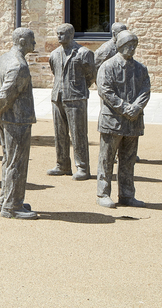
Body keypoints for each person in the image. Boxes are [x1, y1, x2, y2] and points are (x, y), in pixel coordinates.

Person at [0, 27, 39, 219]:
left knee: (8, 160)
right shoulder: (19, 66)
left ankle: (6, 199)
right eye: (32, 40)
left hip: (6, 117)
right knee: (17, 162)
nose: (35, 43)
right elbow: (6, 93)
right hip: (17, 119)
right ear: (23, 41)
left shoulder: (4, 58)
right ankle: (12, 206)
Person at [96, 30, 150, 209]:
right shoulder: (107, 66)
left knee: (128, 159)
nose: (132, 48)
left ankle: (127, 195)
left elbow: (145, 90)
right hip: (112, 121)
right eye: (128, 45)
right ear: (119, 46)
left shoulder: (141, 68)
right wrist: (126, 108)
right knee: (107, 158)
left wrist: (136, 107)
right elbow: (105, 91)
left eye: (134, 45)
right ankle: (103, 193)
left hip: (133, 121)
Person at [46, 23, 96, 181]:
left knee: (78, 133)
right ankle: (62, 164)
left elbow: (91, 75)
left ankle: (82, 167)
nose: (59, 36)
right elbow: (55, 72)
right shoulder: (54, 54)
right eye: (57, 33)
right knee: (59, 133)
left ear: (71, 34)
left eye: (62, 33)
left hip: (76, 97)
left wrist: (78, 88)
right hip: (57, 97)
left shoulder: (83, 53)